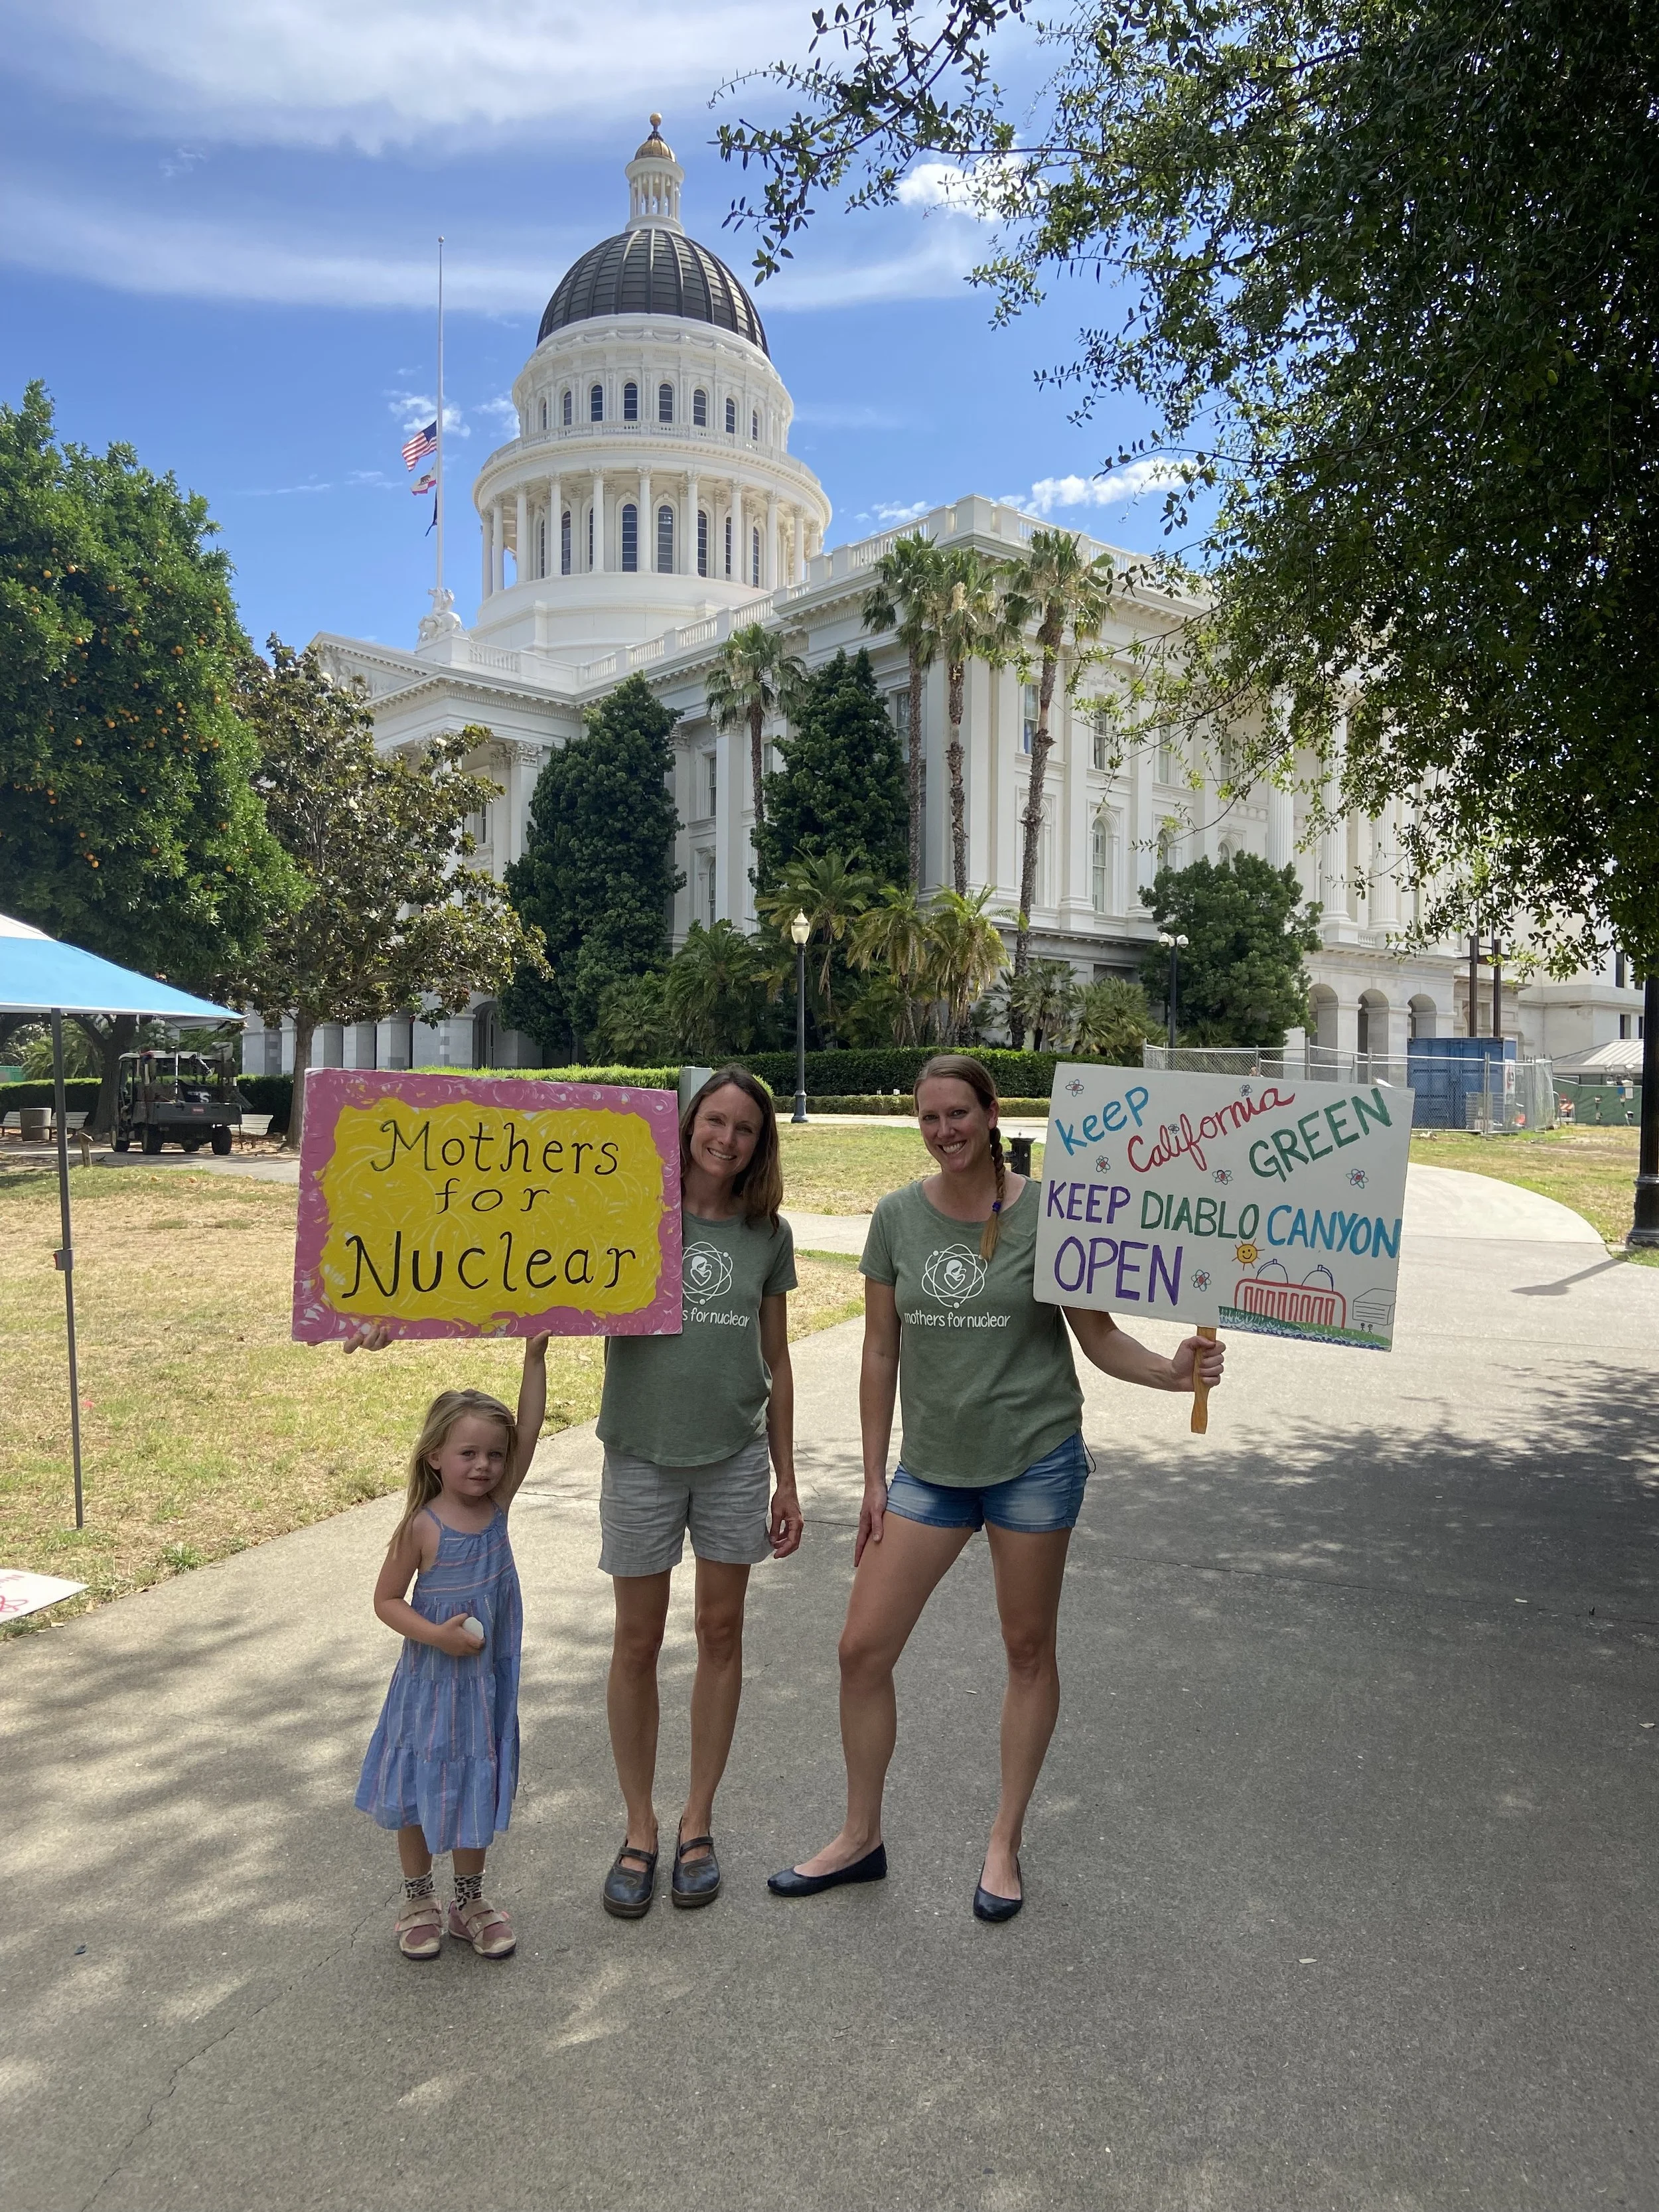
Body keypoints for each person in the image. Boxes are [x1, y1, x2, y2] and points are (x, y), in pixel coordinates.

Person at [769, 1053, 1224, 1922]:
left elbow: (1097, 1337)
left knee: (1027, 1651)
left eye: (959, 1114)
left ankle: (1003, 1841)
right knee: (861, 1649)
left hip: (1033, 1460)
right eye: (929, 1117)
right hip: (930, 1471)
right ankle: (860, 1834)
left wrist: (1172, 1373)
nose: (945, 1131)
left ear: (990, 1113)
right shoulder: (897, 1218)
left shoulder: (1054, 1213)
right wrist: (873, 1474)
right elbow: (878, 1351)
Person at [595, 1067, 804, 1919]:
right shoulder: (628, 1212)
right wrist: (393, 1313)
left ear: (760, 1144)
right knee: (637, 1642)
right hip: (640, 1452)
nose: (726, 1138)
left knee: (720, 1631)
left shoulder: (768, 1233)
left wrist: (787, 1475)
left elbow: (778, 1357)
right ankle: (639, 1826)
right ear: (686, 1126)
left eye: (744, 1129)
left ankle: (697, 1822)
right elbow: (510, 1272)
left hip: (733, 1458)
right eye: (714, 1121)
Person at [356, 1337, 548, 1960]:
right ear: (436, 1456)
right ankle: (418, 1898)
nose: (484, 1465)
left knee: (476, 1780)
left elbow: (533, 1425)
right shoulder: (422, 1526)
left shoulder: (498, 1507)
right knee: (417, 1782)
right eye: (468, 1453)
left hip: (484, 1686)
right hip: (429, 1689)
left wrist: (535, 1359)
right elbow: (387, 1600)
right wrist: (436, 1633)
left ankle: (469, 1898)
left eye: (495, 1454)